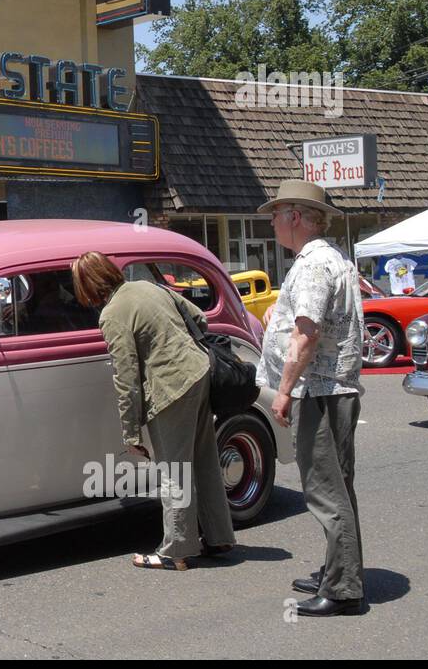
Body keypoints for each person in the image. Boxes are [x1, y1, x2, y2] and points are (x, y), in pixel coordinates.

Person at [73, 251, 236, 571]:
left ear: (89, 286)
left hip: (170, 388)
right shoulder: (149, 286)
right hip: (200, 373)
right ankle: (219, 536)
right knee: (203, 461)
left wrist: (131, 433)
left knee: (174, 471)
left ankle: (175, 551)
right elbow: (199, 318)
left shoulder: (112, 314)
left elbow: (126, 376)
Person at [257, 180, 365, 617]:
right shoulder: (329, 258)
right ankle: (339, 571)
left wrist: (283, 392)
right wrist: (276, 315)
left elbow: (307, 334)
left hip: (319, 390)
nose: (272, 222)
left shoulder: (314, 264)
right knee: (338, 486)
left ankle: (343, 590)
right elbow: (305, 320)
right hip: (332, 388)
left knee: (325, 491)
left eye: (276, 213)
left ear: (296, 217)